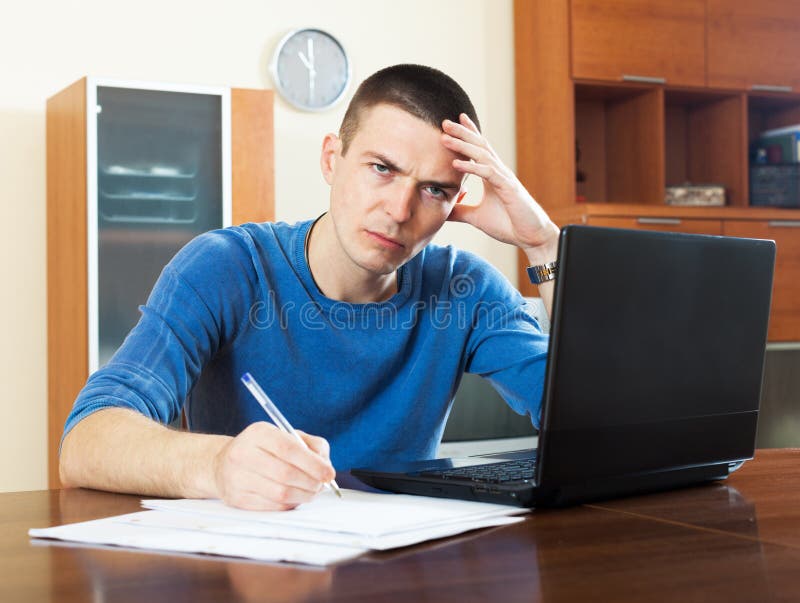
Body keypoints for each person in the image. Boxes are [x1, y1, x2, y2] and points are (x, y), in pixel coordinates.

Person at [59, 64, 560, 511]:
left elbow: (590, 421)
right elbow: (86, 440)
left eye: (434, 190)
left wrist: (542, 245)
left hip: (400, 566)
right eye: (382, 169)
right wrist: (218, 464)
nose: (400, 210)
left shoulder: (465, 289)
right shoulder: (226, 267)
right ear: (331, 158)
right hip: (252, 572)